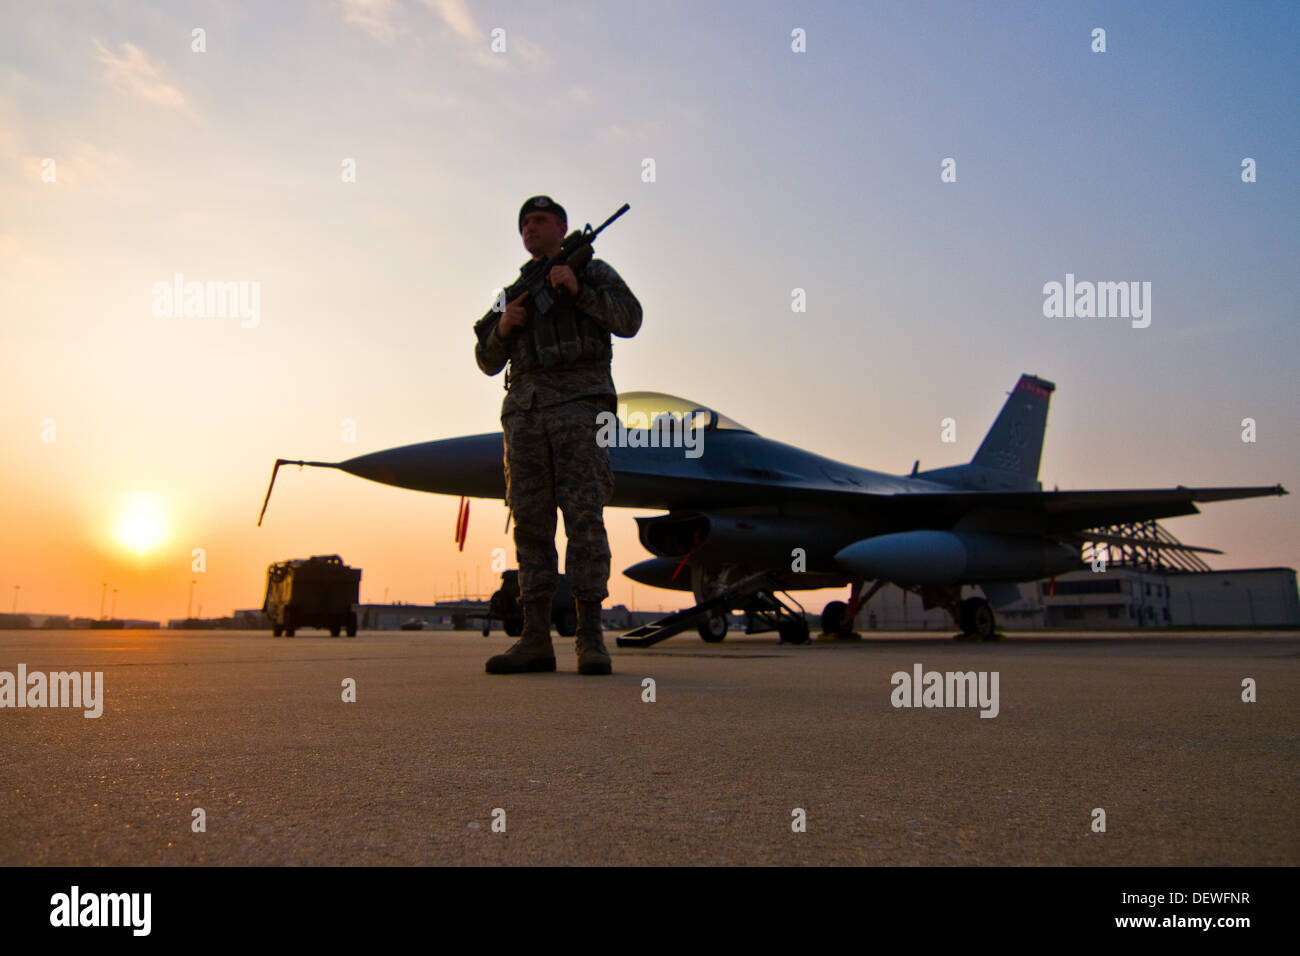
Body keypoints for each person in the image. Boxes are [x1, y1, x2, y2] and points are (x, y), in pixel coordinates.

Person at [473, 196, 642, 675]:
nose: (531, 226)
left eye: (540, 219)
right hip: (525, 416)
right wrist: (503, 328)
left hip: (580, 408)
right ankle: (534, 639)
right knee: (529, 522)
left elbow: (630, 320)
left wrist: (579, 291)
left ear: (562, 227)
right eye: (524, 221)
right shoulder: (514, 292)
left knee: (584, 517)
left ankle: (590, 637)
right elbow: (486, 361)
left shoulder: (592, 271)